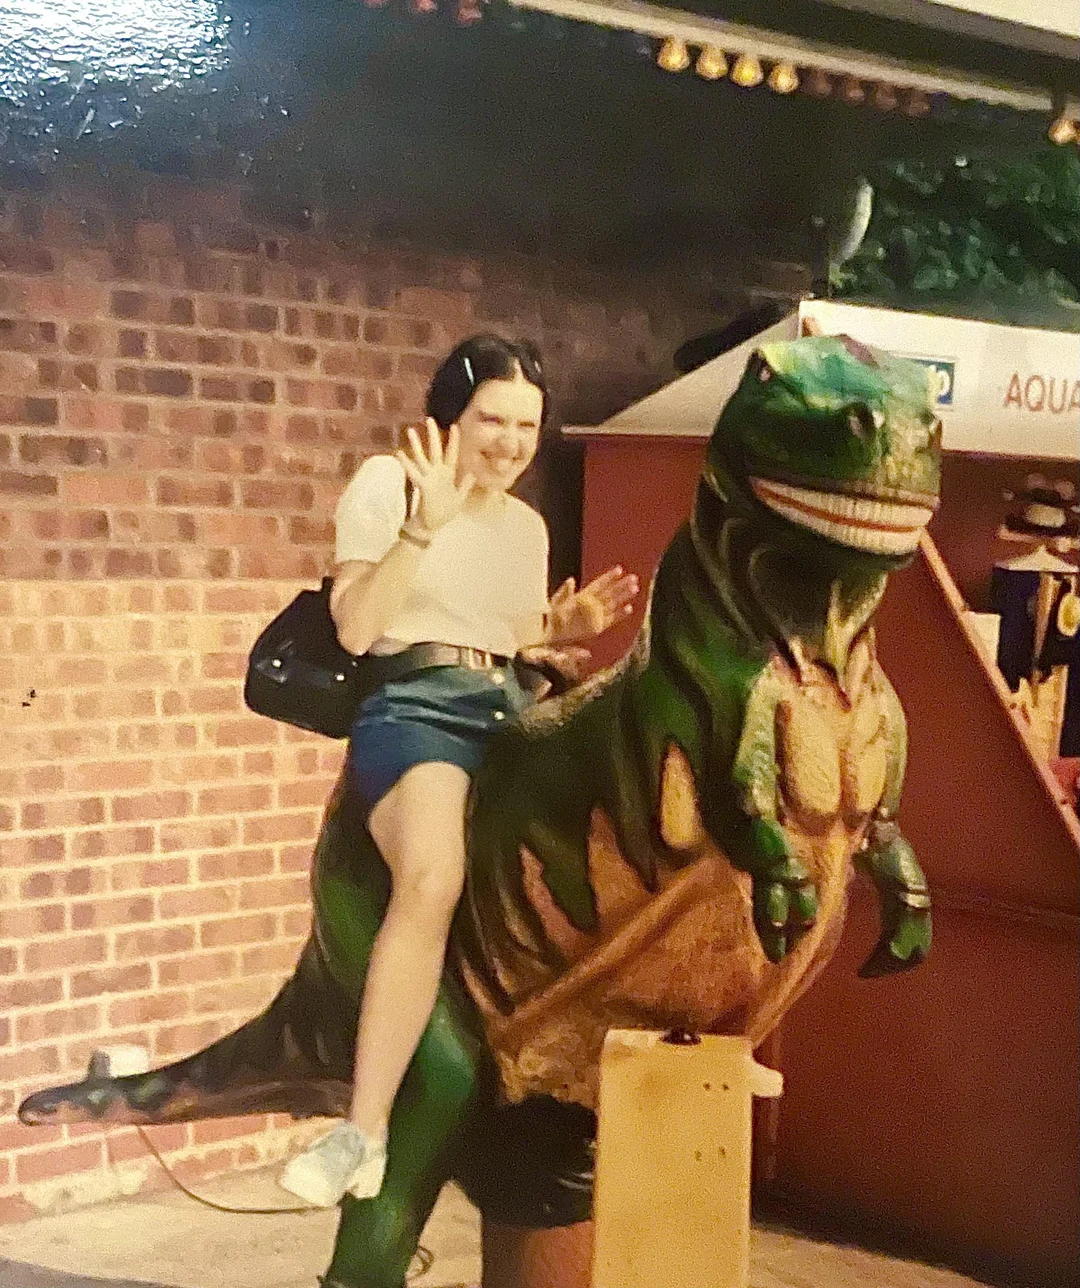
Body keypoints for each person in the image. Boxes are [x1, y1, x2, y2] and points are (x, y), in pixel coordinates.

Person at [279, 334, 638, 1207]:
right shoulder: (389, 483)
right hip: (414, 705)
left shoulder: (526, 525)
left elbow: (498, 635)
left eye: (527, 426)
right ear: (451, 416)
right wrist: (420, 529)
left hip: (506, 702)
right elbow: (360, 628)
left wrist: (554, 629)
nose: (511, 443)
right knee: (434, 875)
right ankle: (360, 1134)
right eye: (492, 420)